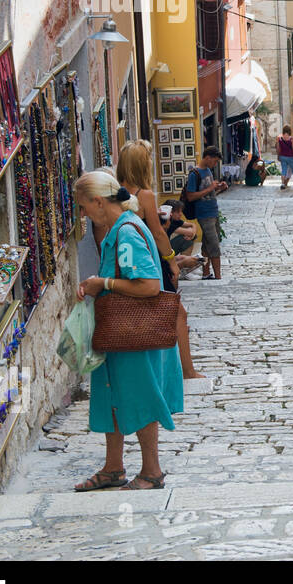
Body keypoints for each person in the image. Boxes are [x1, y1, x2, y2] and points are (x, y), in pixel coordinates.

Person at [72, 171, 184, 491]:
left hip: (133, 333)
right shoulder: (120, 229)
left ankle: (152, 471)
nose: (83, 215)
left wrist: (102, 283)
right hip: (119, 332)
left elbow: (148, 285)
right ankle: (113, 467)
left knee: (140, 395)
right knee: (114, 393)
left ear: (98, 201)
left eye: (83, 207)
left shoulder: (126, 233)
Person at [117, 142, 203, 379]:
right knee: (177, 314)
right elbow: (158, 234)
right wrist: (172, 261)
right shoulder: (143, 195)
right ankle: (187, 371)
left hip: (124, 264)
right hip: (149, 261)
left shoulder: (113, 194)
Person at [185, 146, 228, 279]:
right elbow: (191, 196)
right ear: (207, 157)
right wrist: (210, 188)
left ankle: (205, 273)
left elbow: (209, 193)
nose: (215, 164)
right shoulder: (195, 174)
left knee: (206, 244)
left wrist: (219, 189)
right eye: (214, 161)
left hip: (213, 211)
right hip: (204, 214)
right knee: (214, 245)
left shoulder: (208, 171)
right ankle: (218, 276)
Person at [160, 204, 203, 276]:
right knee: (186, 240)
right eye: (178, 212)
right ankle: (184, 268)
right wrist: (191, 234)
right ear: (171, 213)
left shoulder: (175, 221)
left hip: (167, 249)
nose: (180, 214)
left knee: (188, 239)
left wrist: (191, 236)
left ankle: (186, 267)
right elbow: (190, 232)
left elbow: (193, 225)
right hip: (162, 252)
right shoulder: (168, 223)